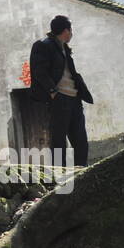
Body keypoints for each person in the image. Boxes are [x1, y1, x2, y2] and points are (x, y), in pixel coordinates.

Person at [29, 14, 93, 167]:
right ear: (66, 30)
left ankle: (82, 173)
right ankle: (60, 176)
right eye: (71, 30)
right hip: (59, 99)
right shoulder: (43, 45)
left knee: (81, 141)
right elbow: (39, 71)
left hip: (74, 99)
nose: (72, 33)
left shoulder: (65, 49)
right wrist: (53, 92)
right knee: (59, 141)